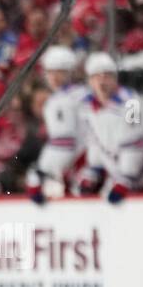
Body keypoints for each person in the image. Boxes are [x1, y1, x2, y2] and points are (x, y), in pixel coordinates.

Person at [77, 52, 143, 203]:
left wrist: (125, 179)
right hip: (119, 175)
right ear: (90, 80)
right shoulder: (85, 106)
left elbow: (136, 142)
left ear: (115, 79)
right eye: (97, 76)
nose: (102, 81)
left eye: (107, 76)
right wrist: (94, 171)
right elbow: (94, 142)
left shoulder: (132, 102)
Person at [26, 45, 89, 205]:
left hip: (83, 167)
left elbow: (64, 144)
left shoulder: (60, 101)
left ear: (69, 72)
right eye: (50, 72)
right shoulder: (85, 93)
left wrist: (39, 174)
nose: (54, 77)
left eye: (59, 71)